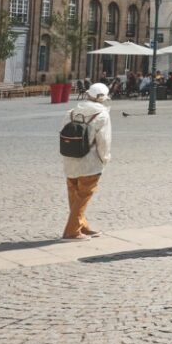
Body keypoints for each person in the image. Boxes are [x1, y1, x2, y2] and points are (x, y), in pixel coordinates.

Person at [61, 82, 112, 240]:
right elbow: (104, 141)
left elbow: (63, 133)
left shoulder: (71, 112)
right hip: (89, 162)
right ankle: (72, 231)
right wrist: (105, 159)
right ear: (102, 98)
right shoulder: (102, 115)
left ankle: (82, 225)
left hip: (70, 160)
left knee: (75, 195)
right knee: (83, 195)